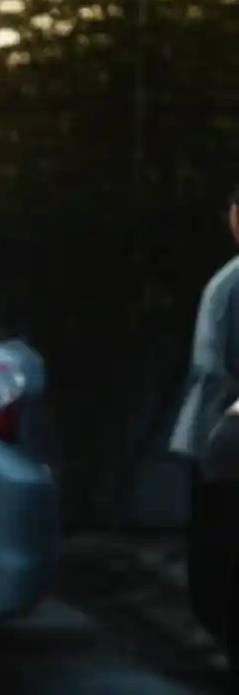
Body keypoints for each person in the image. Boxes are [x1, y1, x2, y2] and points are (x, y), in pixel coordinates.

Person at [171, 182, 239, 643]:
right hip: (225, 434)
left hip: (218, 435)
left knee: (218, 556)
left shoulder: (230, 276)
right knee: (222, 559)